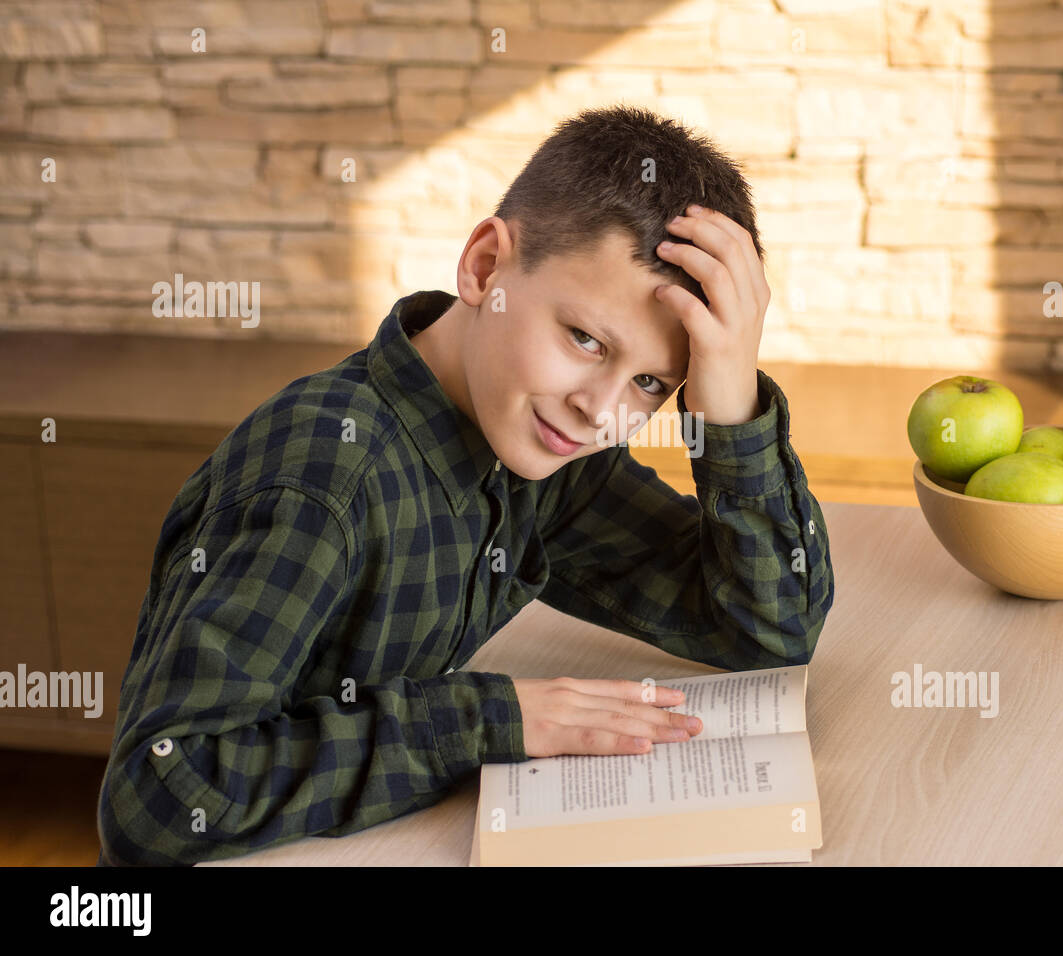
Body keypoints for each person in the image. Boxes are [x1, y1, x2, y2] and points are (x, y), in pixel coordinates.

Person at [97, 105, 834, 865]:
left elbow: (767, 629)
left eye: (650, 382)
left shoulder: (544, 450)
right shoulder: (322, 483)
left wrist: (730, 404)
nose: (602, 411)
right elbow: (159, 797)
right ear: (486, 268)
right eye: (584, 339)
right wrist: (488, 721)